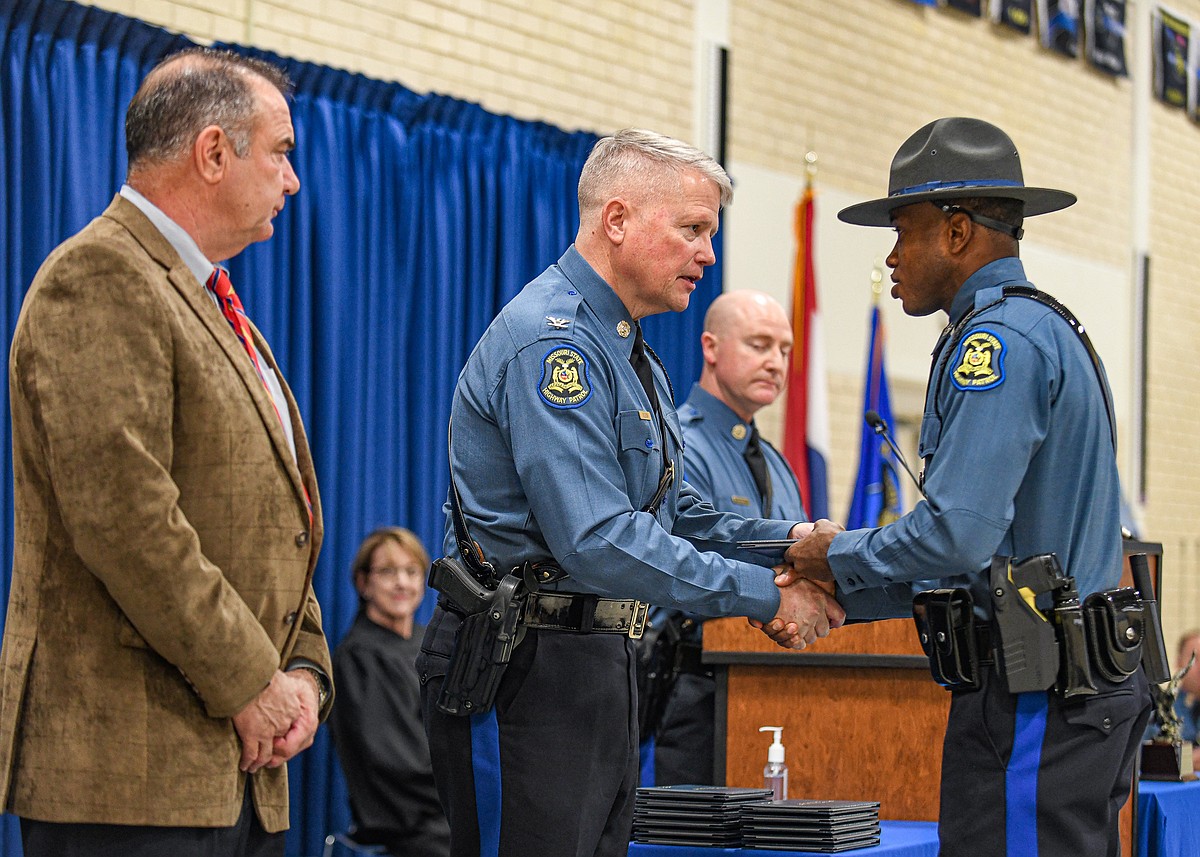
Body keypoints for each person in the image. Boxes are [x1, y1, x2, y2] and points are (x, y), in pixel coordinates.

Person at [417, 128, 844, 857]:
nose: (708, 253)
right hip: (523, 665)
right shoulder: (553, 344)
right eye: (693, 229)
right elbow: (600, 538)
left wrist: (793, 543)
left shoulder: (628, 350)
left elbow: (677, 515)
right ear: (616, 220)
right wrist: (769, 595)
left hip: (597, 660)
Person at [771, 117, 1152, 856]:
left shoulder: (995, 344)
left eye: (902, 230)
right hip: (1054, 688)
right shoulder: (1046, 327)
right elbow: (972, 564)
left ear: (955, 233)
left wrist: (832, 552)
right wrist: (835, 596)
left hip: (1040, 697)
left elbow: (957, 533)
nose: (890, 255)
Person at [2, 48, 331, 857]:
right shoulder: (99, 276)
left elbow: (276, 524)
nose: (293, 180)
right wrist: (257, 684)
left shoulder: (221, 308)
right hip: (127, 776)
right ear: (214, 152)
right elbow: (128, 523)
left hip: (231, 769)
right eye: (282, 151)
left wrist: (305, 678)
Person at [648, 290, 807, 786]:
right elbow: (685, 561)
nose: (775, 362)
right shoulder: (679, 444)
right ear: (711, 348)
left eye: (784, 350)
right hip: (696, 686)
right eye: (760, 345)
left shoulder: (777, 463)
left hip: (771, 681)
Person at [329, 528, 450, 857]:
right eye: (387, 571)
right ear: (363, 582)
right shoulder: (361, 657)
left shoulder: (429, 643)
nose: (402, 583)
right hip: (412, 828)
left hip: (446, 816)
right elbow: (401, 762)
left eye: (411, 571)